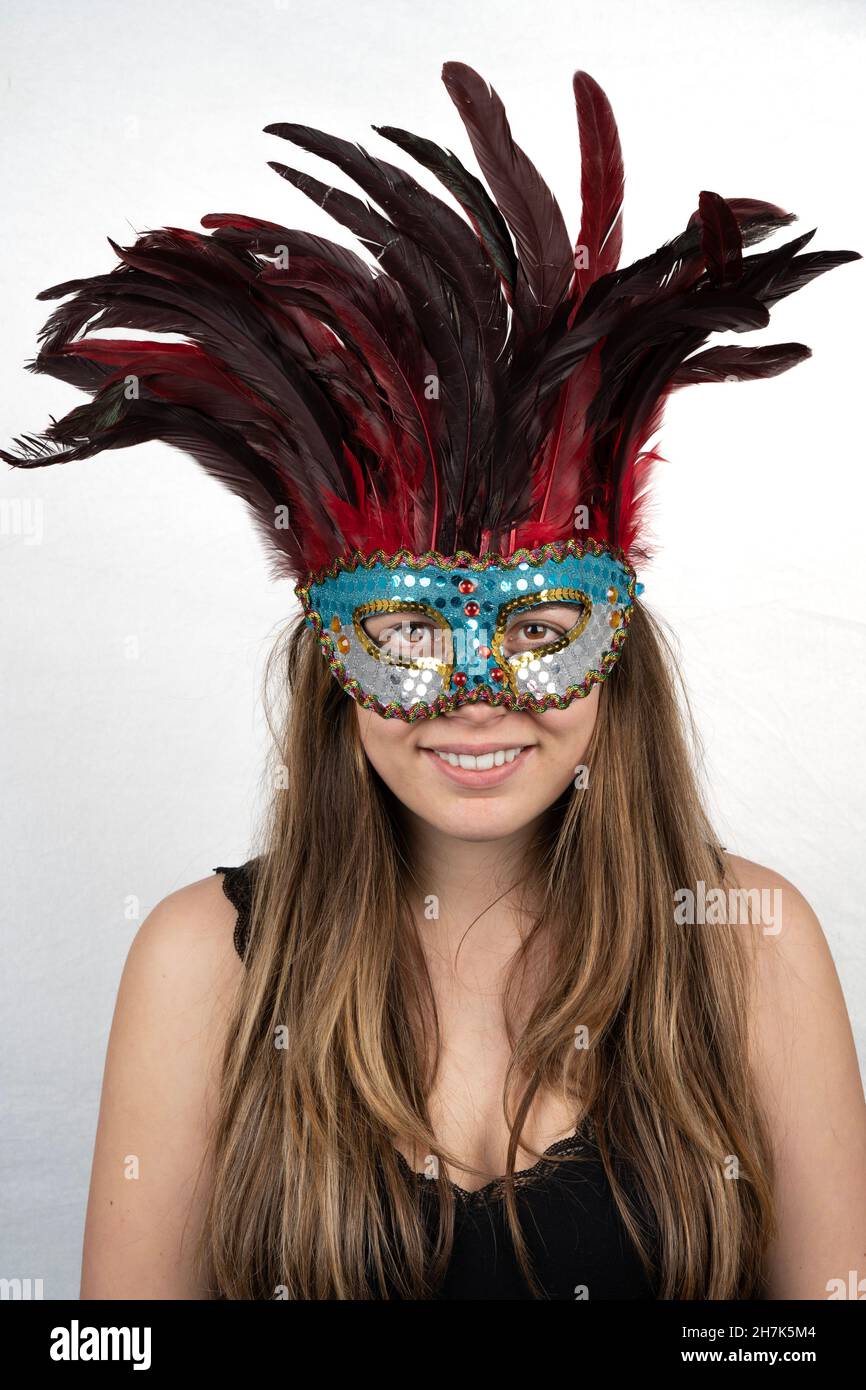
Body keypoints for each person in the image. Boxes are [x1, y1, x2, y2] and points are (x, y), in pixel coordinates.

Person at [4, 61, 864, 1301]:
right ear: (328, 663)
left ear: (618, 654)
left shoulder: (747, 949)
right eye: (405, 634)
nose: (475, 693)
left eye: (536, 629)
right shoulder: (204, 961)